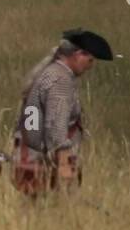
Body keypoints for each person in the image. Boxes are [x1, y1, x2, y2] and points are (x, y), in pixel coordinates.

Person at [12, 28, 113, 196]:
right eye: (89, 60)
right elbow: (56, 126)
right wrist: (65, 165)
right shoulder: (60, 80)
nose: (91, 66)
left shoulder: (49, 73)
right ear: (78, 54)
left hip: (29, 156)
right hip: (45, 162)